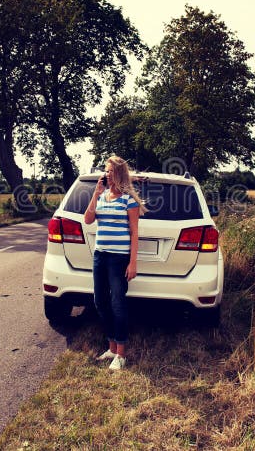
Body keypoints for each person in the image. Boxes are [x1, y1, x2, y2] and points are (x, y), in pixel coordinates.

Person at [83, 155, 146, 370]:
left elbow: (135, 233)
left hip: (119, 258)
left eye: (110, 171)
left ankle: (121, 354)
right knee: (100, 301)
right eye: (106, 170)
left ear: (118, 174)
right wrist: (95, 194)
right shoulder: (101, 196)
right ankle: (111, 347)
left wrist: (133, 263)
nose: (106, 174)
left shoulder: (128, 200)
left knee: (118, 303)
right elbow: (88, 220)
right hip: (100, 255)